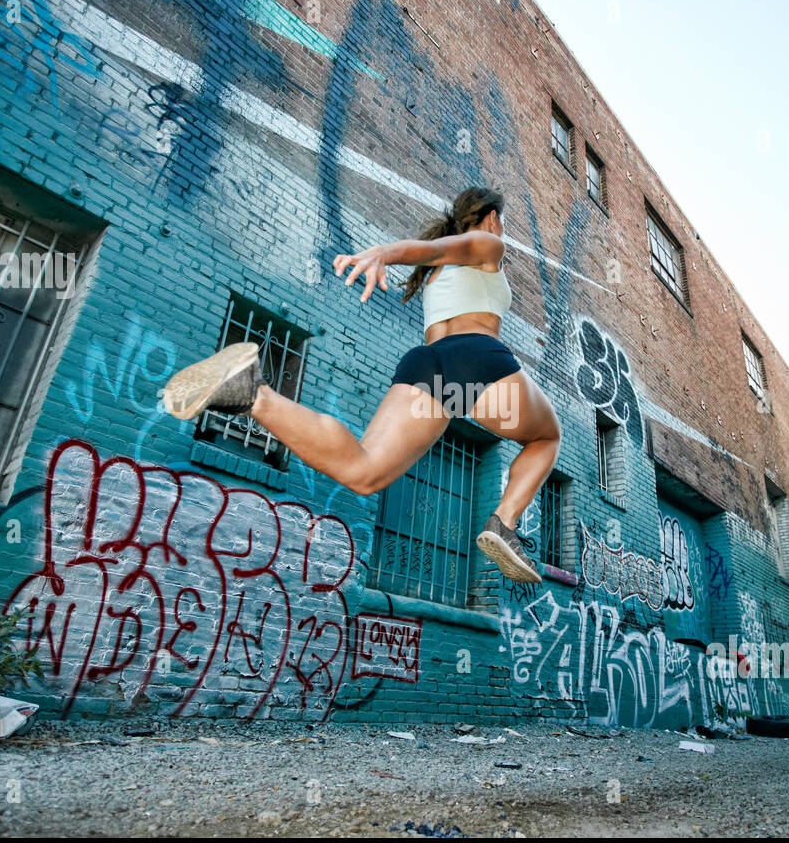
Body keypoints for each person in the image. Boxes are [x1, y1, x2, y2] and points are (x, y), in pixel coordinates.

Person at [159, 186, 561, 583]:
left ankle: (251, 393)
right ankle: (503, 522)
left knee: (364, 472)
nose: (502, 232)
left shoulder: (441, 271)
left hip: (427, 363)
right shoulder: (487, 245)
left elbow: (434, 253)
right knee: (546, 436)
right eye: (501, 223)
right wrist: (384, 253)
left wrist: (388, 254)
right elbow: (434, 249)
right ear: (491, 217)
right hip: (476, 357)